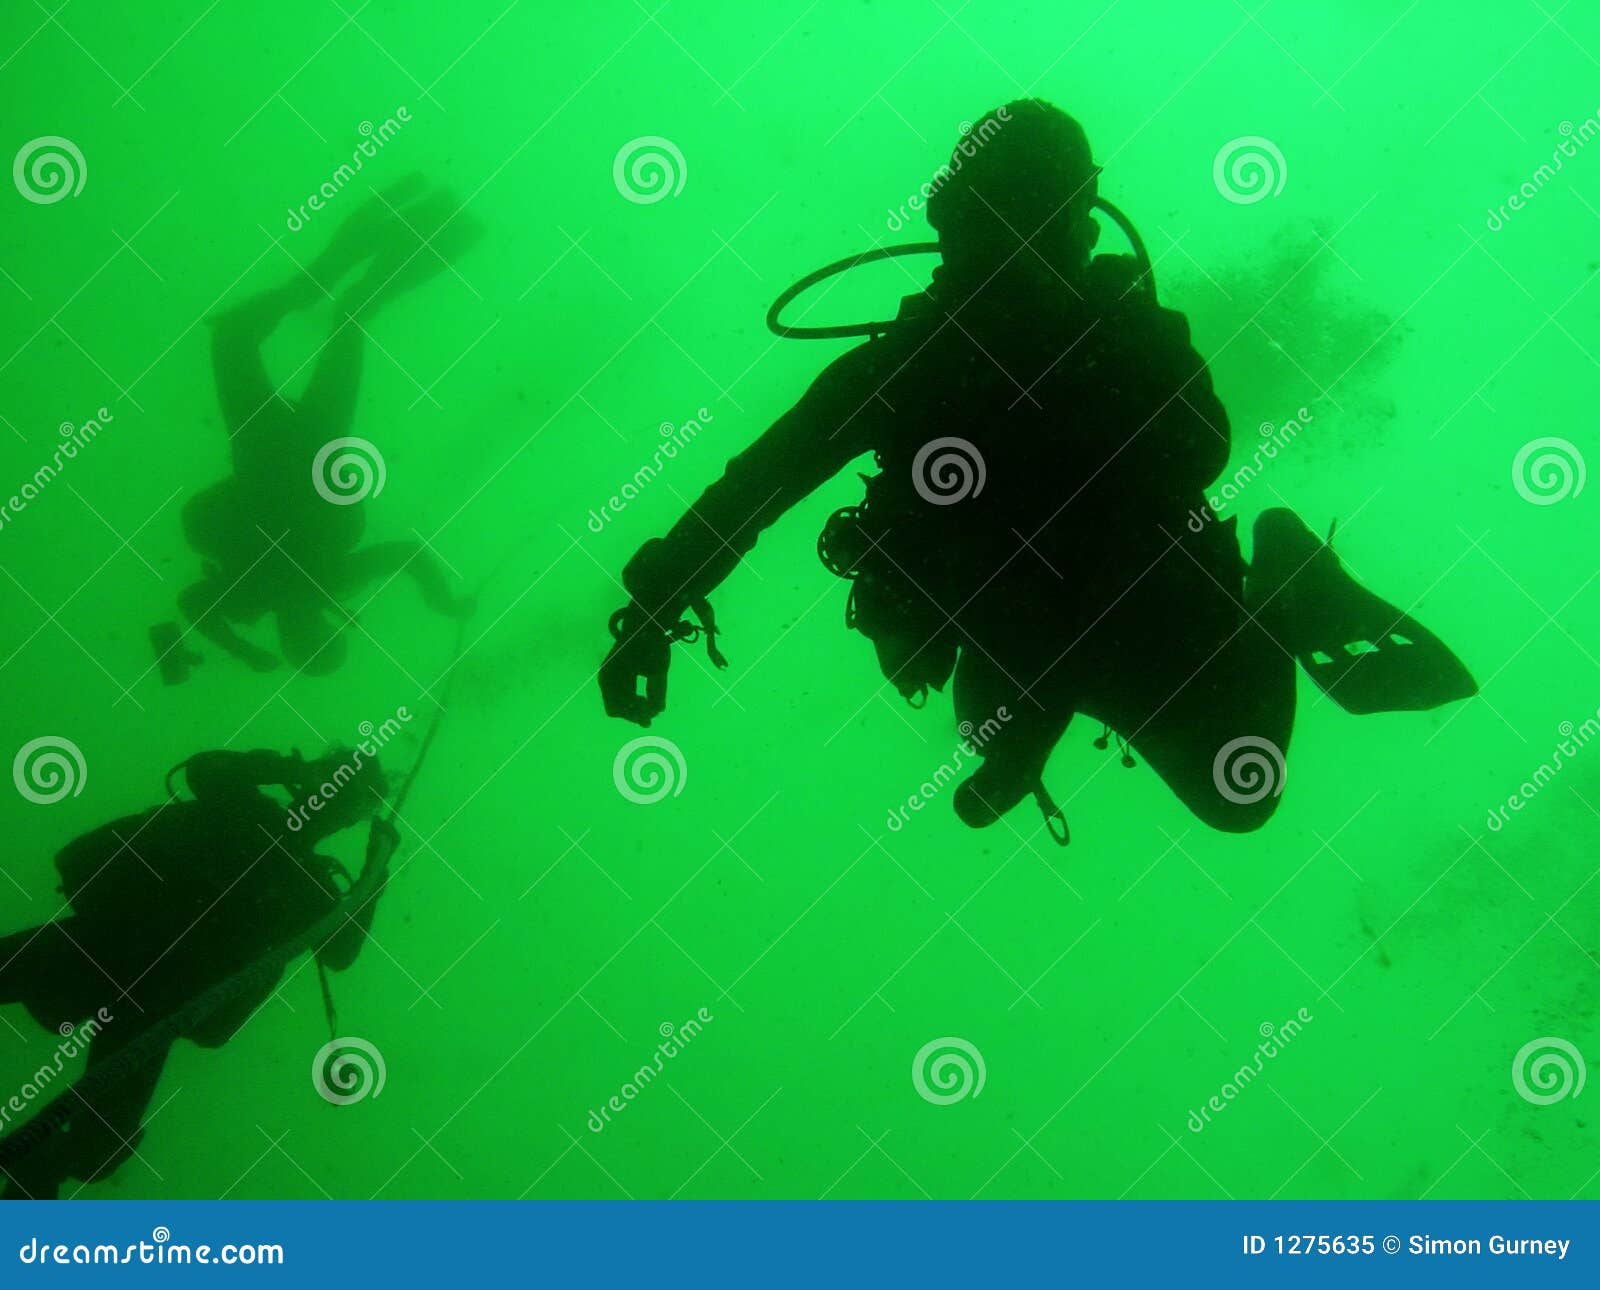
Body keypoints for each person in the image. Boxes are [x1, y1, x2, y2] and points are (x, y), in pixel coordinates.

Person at [600, 99, 1475, 840]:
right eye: (967, 224)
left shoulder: (1117, 334)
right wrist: (651, 608)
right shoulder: (908, 366)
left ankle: (1283, 584)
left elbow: (1202, 450)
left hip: (1149, 608)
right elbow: (762, 481)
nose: (975, 251)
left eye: (1027, 225)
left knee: (1238, 796)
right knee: (1014, 716)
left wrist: (1117, 356)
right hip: (1027, 629)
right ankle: (1036, 708)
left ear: (1068, 228)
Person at [0, 746, 395, 1199]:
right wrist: (294, 770)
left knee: (98, 1148)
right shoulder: (247, 808)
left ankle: (34, 1173)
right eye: (342, 794)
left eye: (353, 806)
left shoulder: (306, 883)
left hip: (153, 1005)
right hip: (104, 946)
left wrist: (373, 875)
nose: (339, 811)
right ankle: (38, 1169)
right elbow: (205, 768)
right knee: (97, 1146)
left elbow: (339, 949)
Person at [155, 176, 478, 683]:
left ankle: (359, 261)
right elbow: (406, 555)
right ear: (327, 628)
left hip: (280, 449)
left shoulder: (269, 592)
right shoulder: (302, 586)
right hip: (298, 449)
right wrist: (440, 600)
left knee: (285, 328)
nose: (298, 634)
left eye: (297, 645)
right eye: (310, 641)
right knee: (316, 324)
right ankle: (430, 234)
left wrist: (241, 649)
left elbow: (192, 602)